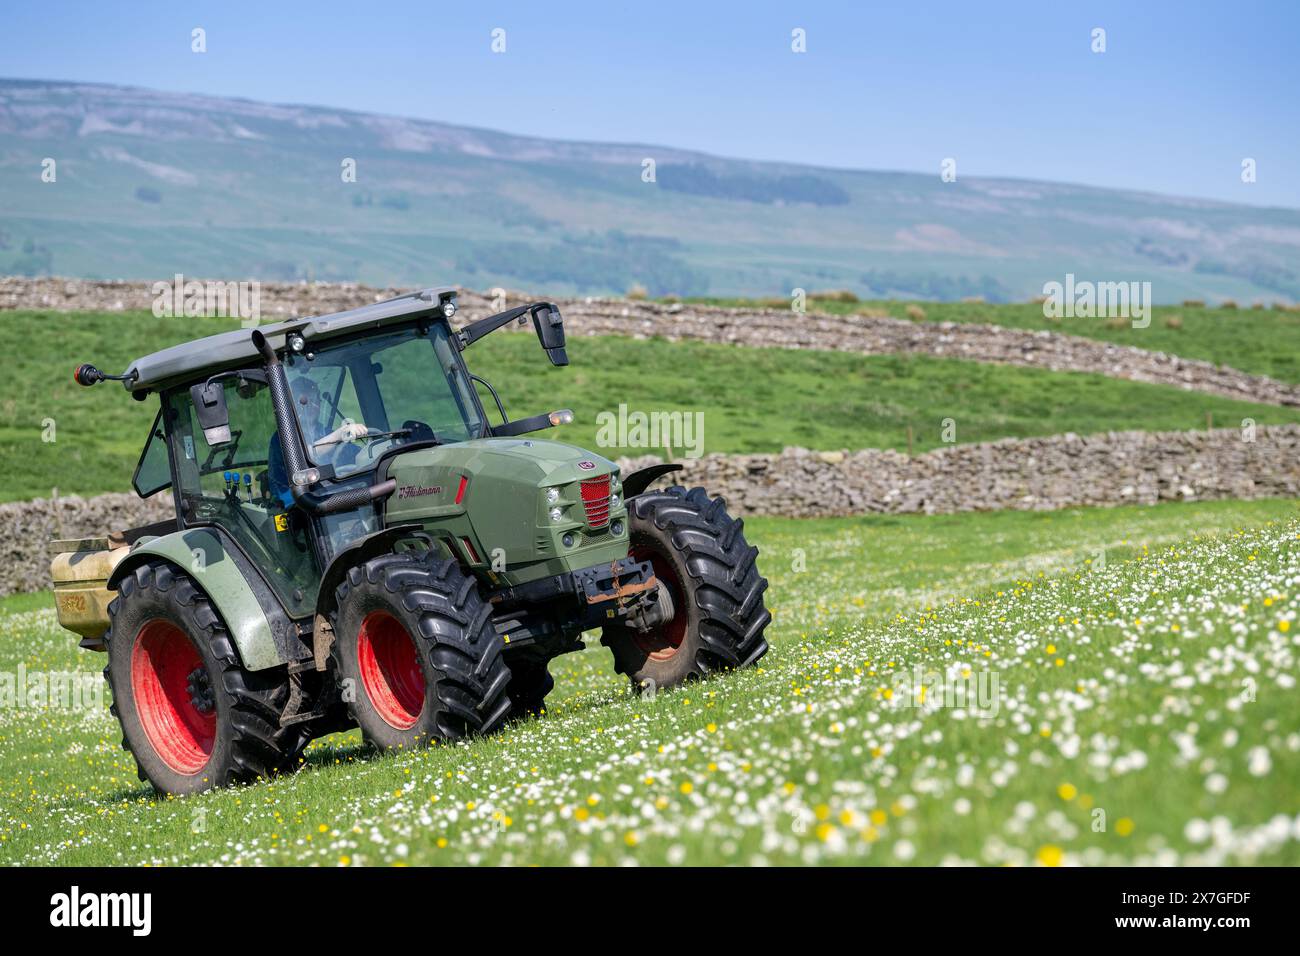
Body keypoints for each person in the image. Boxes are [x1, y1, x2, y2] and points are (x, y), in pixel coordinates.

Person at [267, 375, 371, 507]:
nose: (312, 404)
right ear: (291, 405)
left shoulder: (324, 431)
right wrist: (339, 435)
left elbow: (352, 453)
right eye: (304, 400)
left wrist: (371, 452)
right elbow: (303, 458)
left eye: (316, 399)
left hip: (327, 498)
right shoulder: (282, 437)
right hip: (296, 504)